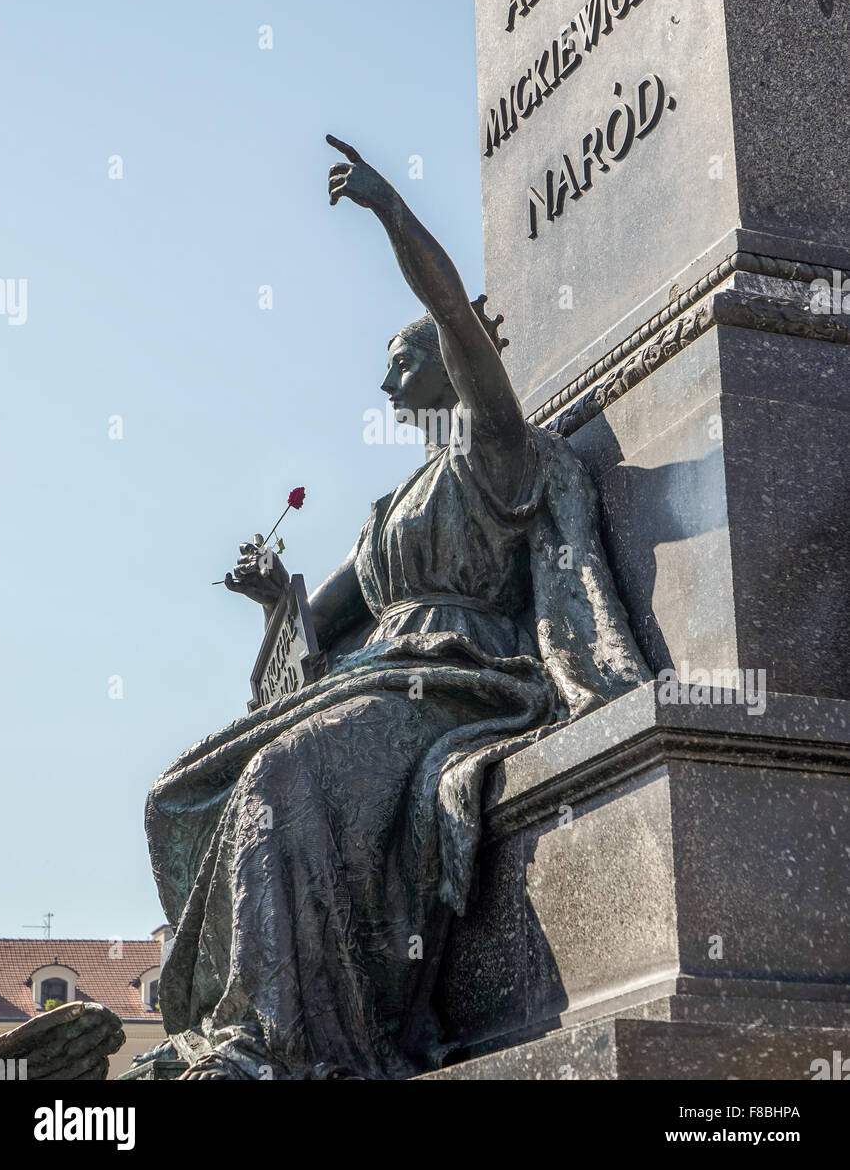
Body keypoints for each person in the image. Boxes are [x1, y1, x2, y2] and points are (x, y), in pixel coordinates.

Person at [143, 137, 648, 1080]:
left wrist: (391, 215)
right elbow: (315, 630)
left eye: (402, 360)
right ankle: (248, 1021)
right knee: (188, 789)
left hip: (462, 678)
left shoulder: (497, 451)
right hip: (381, 679)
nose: (385, 384)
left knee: (282, 776)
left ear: (455, 363)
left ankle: (275, 1038)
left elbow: (452, 309)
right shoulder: (385, 516)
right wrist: (270, 603)